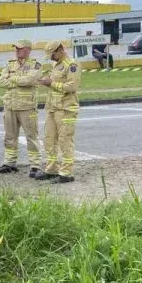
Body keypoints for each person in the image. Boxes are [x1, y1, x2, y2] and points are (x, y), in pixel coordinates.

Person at [34, 40, 81, 183]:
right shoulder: (56, 65)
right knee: (49, 139)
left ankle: (66, 173)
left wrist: (51, 83)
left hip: (66, 108)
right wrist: (45, 81)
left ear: (60, 49)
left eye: (52, 54)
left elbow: (72, 86)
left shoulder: (72, 65)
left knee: (65, 140)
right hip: (52, 108)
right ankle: (51, 169)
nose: (51, 57)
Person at [0, 39, 42, 177]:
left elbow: (30, 80)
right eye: (16, 49)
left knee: (31, 136)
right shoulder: (10, 64)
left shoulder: (35, 65)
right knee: (9, 136)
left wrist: (13, 78)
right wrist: (19, 79)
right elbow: (1, 82)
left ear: (28, 50)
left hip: (27, 107)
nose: (17, 51)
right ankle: (9, 163)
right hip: (10, 105)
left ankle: (35, 165)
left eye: (20, 49)